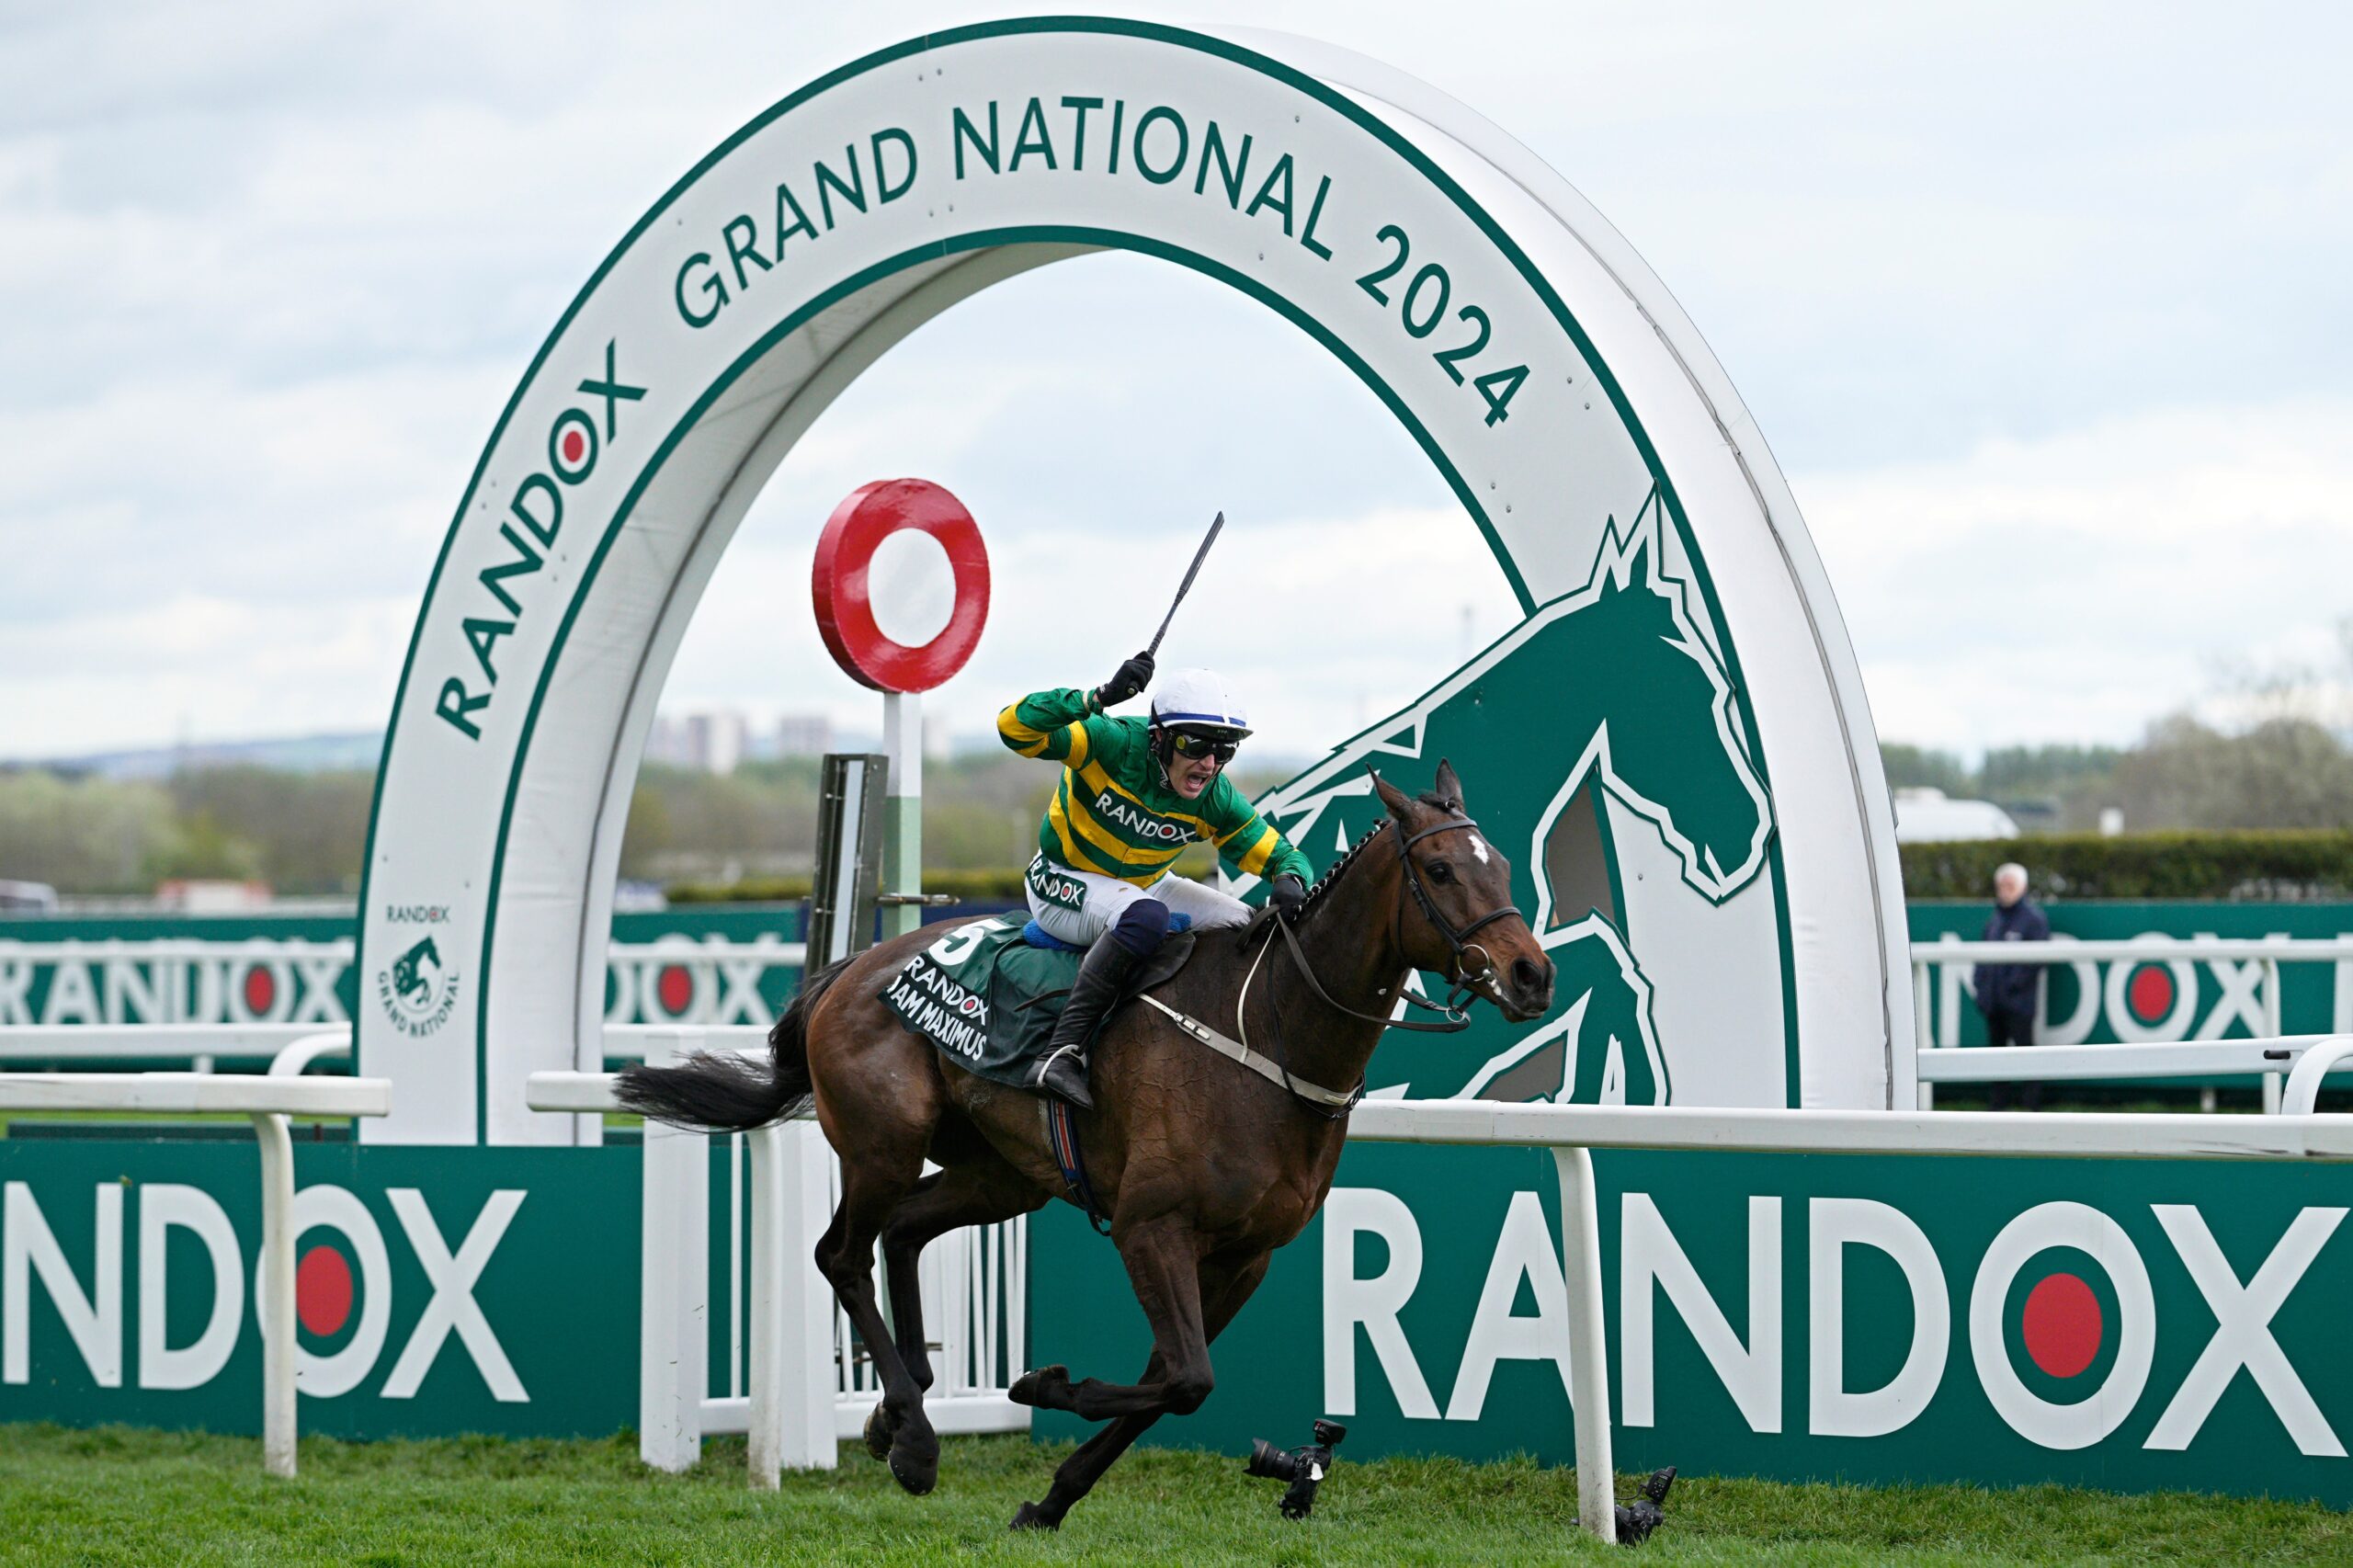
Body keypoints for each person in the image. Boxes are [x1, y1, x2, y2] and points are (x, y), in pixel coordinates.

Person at [997, 650, 1313, 1109]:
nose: (1208, 764)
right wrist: (1094, 698)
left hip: (1144, 885)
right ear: (1159, 738)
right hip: (1061, 878)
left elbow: (1283, 855)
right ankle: (1058, 1054)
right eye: (1195, 746)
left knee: (1247, 923)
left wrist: (1290, 879)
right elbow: (1014, 728)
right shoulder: (1109, 742)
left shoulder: (1214, 797)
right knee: (1146, 916)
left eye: (1223, 750)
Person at [1973, 861, 2050, 1111]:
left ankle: (2031, 1107)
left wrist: (2011, 987)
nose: (2005, 890)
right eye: (2001, 885)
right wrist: (1983, 989)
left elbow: (2035, 961)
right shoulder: (1993, 921)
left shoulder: (2033, 920)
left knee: (2026, 1055)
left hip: (2019, 1005)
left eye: (2010, 885)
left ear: (2023, 887)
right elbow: (1982, 959)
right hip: (1994, 1004)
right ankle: (1997, 1107)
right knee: (1995, 1058)